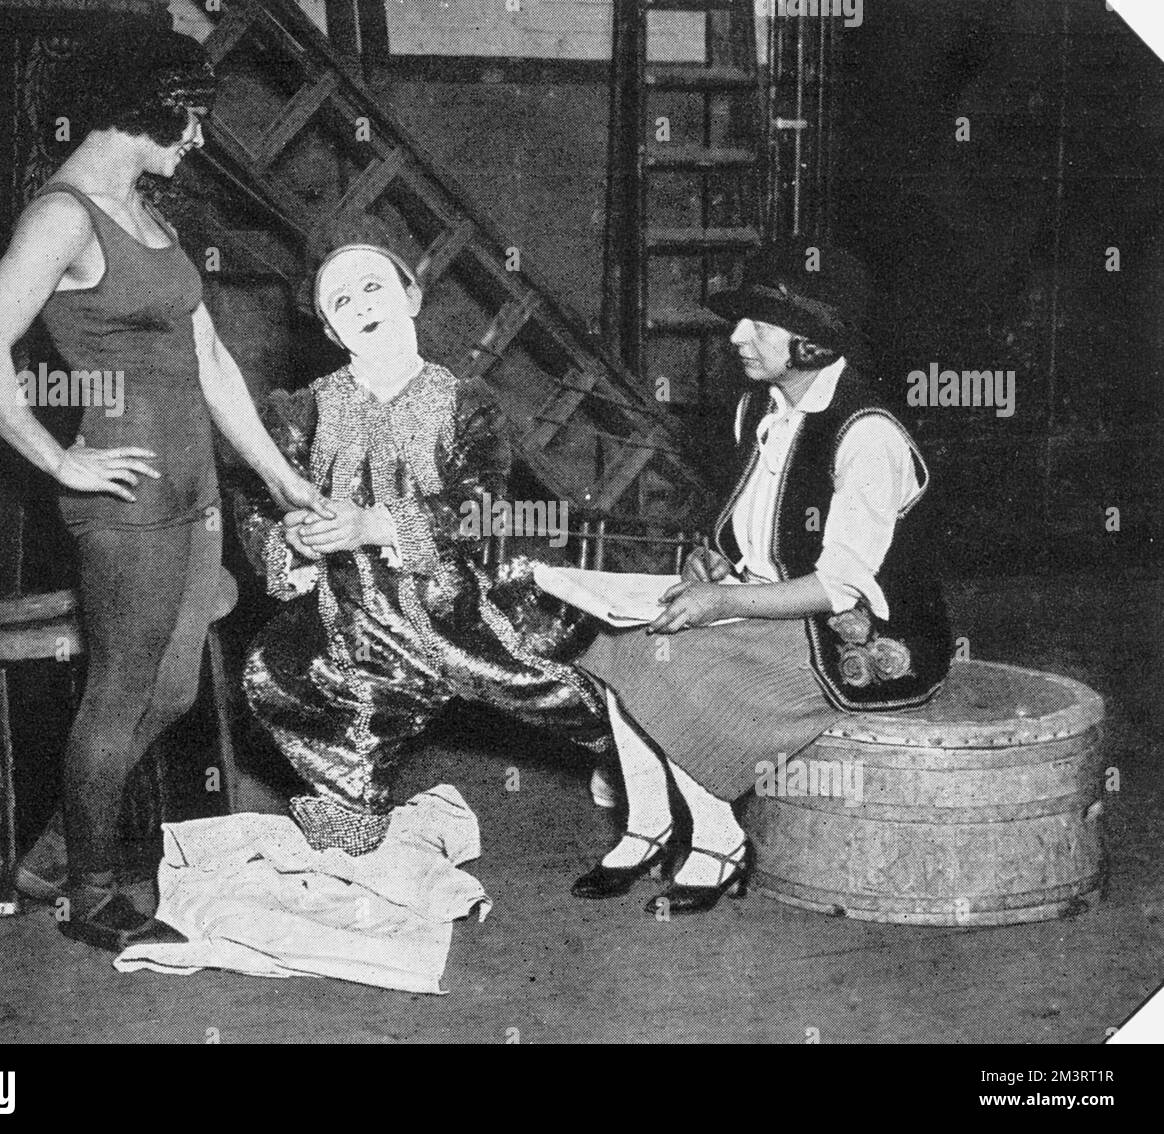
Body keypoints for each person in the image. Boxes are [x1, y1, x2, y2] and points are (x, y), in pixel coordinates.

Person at [0, 30, 330, 951]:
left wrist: (284, 482)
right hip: (124, 498)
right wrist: (60, 459)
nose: (198, 137)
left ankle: (50, 843)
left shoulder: (147, 211)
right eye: (192, 114)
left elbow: (209, 360)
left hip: (195, 486)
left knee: (169, 695)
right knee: (119, 696)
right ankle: (92, 895)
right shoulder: (64, 217)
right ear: (149, 107)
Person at [572, 237, 952, 916]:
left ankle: (719, 842)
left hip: (862, 638)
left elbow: (837, 586)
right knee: (614, 645)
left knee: (674, 664)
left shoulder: (867, 433)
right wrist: (714, 560)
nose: (736, 336)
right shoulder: (760, 410)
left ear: (812, 338)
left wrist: (720, 600)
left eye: (759, 322)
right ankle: (648, 825)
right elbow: (753, 528)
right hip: (779, 604)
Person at [231, 231, 609, 856]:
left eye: (374, 287)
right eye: (341, 302)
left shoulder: (467, 404)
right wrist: (291, 538)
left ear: (410, 297)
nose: (362, 307)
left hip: (460, 603)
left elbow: (479, 506)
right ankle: (352, 832)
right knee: (286, 678)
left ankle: (628, 752)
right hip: (350, 612)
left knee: (551, 688)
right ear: (330, 331)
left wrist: (375, 526)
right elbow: (254, 498)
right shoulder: (300, 412)